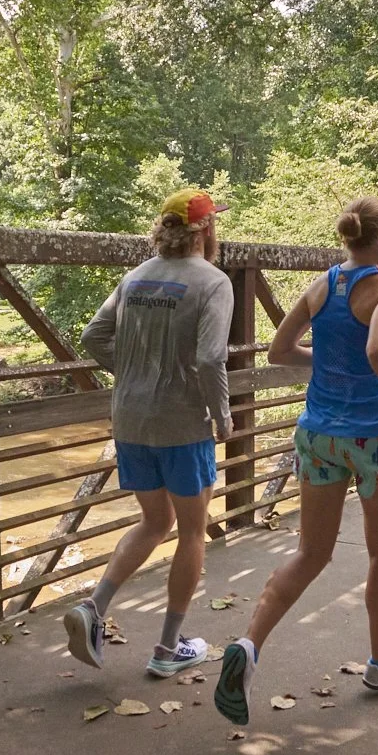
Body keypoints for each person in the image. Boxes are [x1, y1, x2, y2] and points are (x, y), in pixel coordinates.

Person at [215, 198, 378, 725]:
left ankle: (249, 644)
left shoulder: (322, 285)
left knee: (311, 552)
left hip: (318, 436)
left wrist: (332, 364)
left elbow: (279, 351)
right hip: (375, 439)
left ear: (347, 240)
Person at [65, 189, 233, 677]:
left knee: (154, 522)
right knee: (193, 531)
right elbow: (208, 358)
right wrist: (221, 415)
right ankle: (166, 649)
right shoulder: (213, 282)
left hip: (131, 419)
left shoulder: (135, 277)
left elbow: (93, 336)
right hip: (182, 422)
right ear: (205, 230)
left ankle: (93, 606)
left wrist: (137, 372)